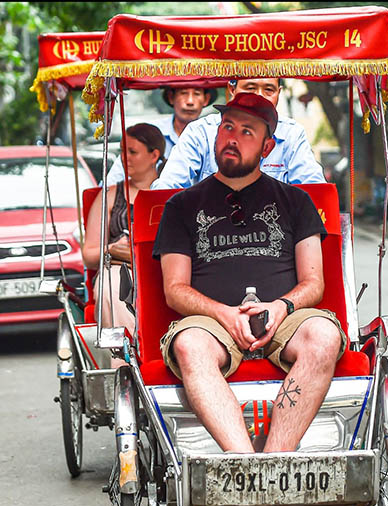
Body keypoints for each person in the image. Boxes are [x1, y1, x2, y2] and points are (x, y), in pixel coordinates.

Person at [152, 93, 345, 453]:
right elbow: (175, 290)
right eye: (227, 127)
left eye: (247, 132)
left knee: (323, 335)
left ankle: (275, 461)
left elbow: (314, 283)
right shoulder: (181, 206)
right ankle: (241, 461)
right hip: (210, 323)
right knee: (188, 344)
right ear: (215, 135)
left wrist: (279, 307)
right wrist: (224, 314)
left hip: (285, 319)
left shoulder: (296, 202)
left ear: (267, 147)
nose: (233, 138)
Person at [83, 123, 166, 357]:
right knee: (110, 284)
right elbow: (89, 255)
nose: (124, 158)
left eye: (132, 152)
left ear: (154, 156)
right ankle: (125, 357)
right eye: (122, 151)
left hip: (161, 269)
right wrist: (112, 249)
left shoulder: (172, 195)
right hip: (118, 270)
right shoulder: (109, 196)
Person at [154, 78, 325, 190]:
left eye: (268, 90)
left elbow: (314, 190)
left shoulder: (292, 134)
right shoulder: (201, 132)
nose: (259, 97)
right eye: (250, 88)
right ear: (231, 90)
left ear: (267, 147)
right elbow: (168, 186)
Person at [103, 86, 216, 187]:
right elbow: (115, 178)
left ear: (206, 99)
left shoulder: (215, 134)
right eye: (183, 93)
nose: (190, 101)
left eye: (196, 94)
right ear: (171, 97)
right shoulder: (148, 133)